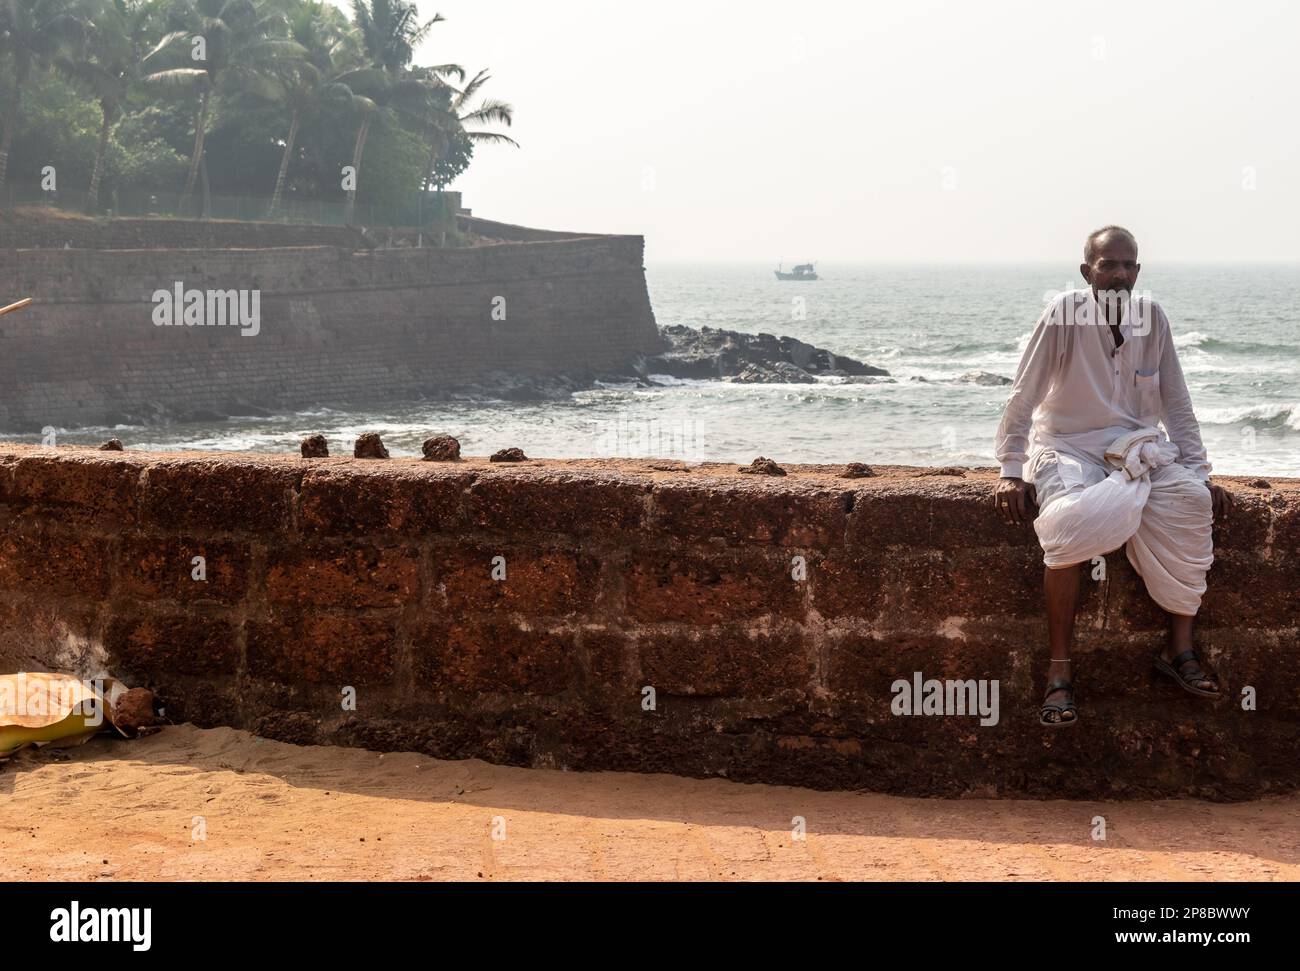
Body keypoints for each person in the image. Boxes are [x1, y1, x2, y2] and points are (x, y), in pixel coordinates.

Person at [993, 226, 1233, 726]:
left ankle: (1179, 651)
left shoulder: (1152, 317)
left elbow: (1177, 404)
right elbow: (1024, 394)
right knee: (1066, 527)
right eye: (1109, 265)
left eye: (1128, 266)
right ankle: (1059, 673)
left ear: (1138, 272)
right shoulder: (1063, 314)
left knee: (1192, 501)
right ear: (1088, 273)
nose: (1120, 275)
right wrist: (1011, 470)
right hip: (1068, 449)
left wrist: (1199, 469)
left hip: (1138, 451)